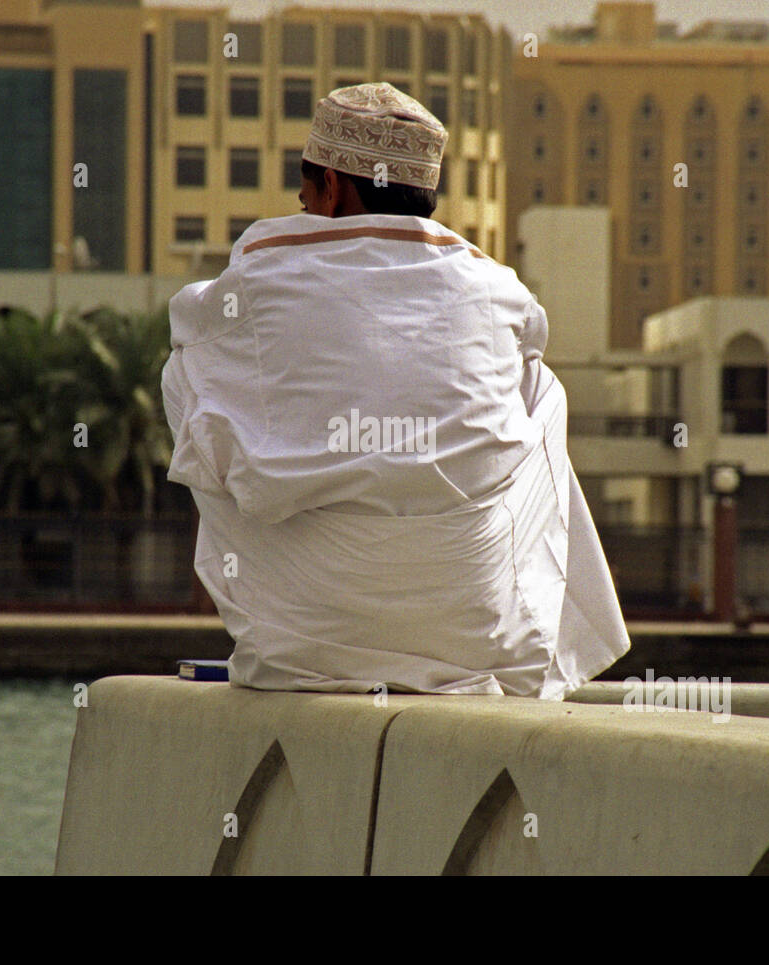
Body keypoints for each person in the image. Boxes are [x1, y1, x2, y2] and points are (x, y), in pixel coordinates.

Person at [161, 82, 629, 698]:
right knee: (539, 387)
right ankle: (525, 648)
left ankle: (286, 622)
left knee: (187, 370)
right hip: (473, 631)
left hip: (303, 631)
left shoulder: (264, 270)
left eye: (305, 196)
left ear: (330, 186)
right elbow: (529, 339)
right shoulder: (495, 287)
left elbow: (187, 323)